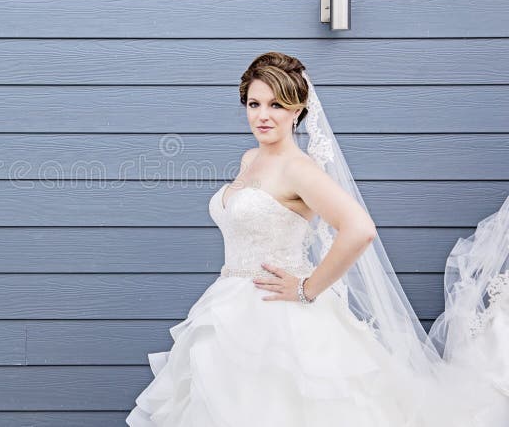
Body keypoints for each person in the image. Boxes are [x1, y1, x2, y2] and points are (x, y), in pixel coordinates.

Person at [125, 52, 509, 426]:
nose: (263, 115)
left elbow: (359, 229)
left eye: (277, 105)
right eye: (254, 103)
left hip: (279, 314)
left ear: (298, 109)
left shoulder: (299, 169)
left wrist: (307, 288)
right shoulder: (249, 159)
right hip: (229, 303)